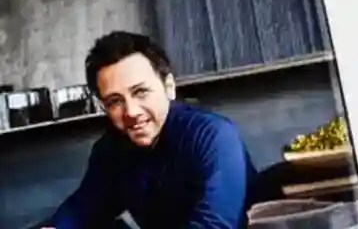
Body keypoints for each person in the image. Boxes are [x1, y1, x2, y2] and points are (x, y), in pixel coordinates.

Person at [42, 31, 260, 229]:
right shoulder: (110, 151)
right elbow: (84, 208)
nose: (131, 112)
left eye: (140, 92)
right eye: (115, 102)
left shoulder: (213, 135)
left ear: (169, 87)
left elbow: (215, 224)